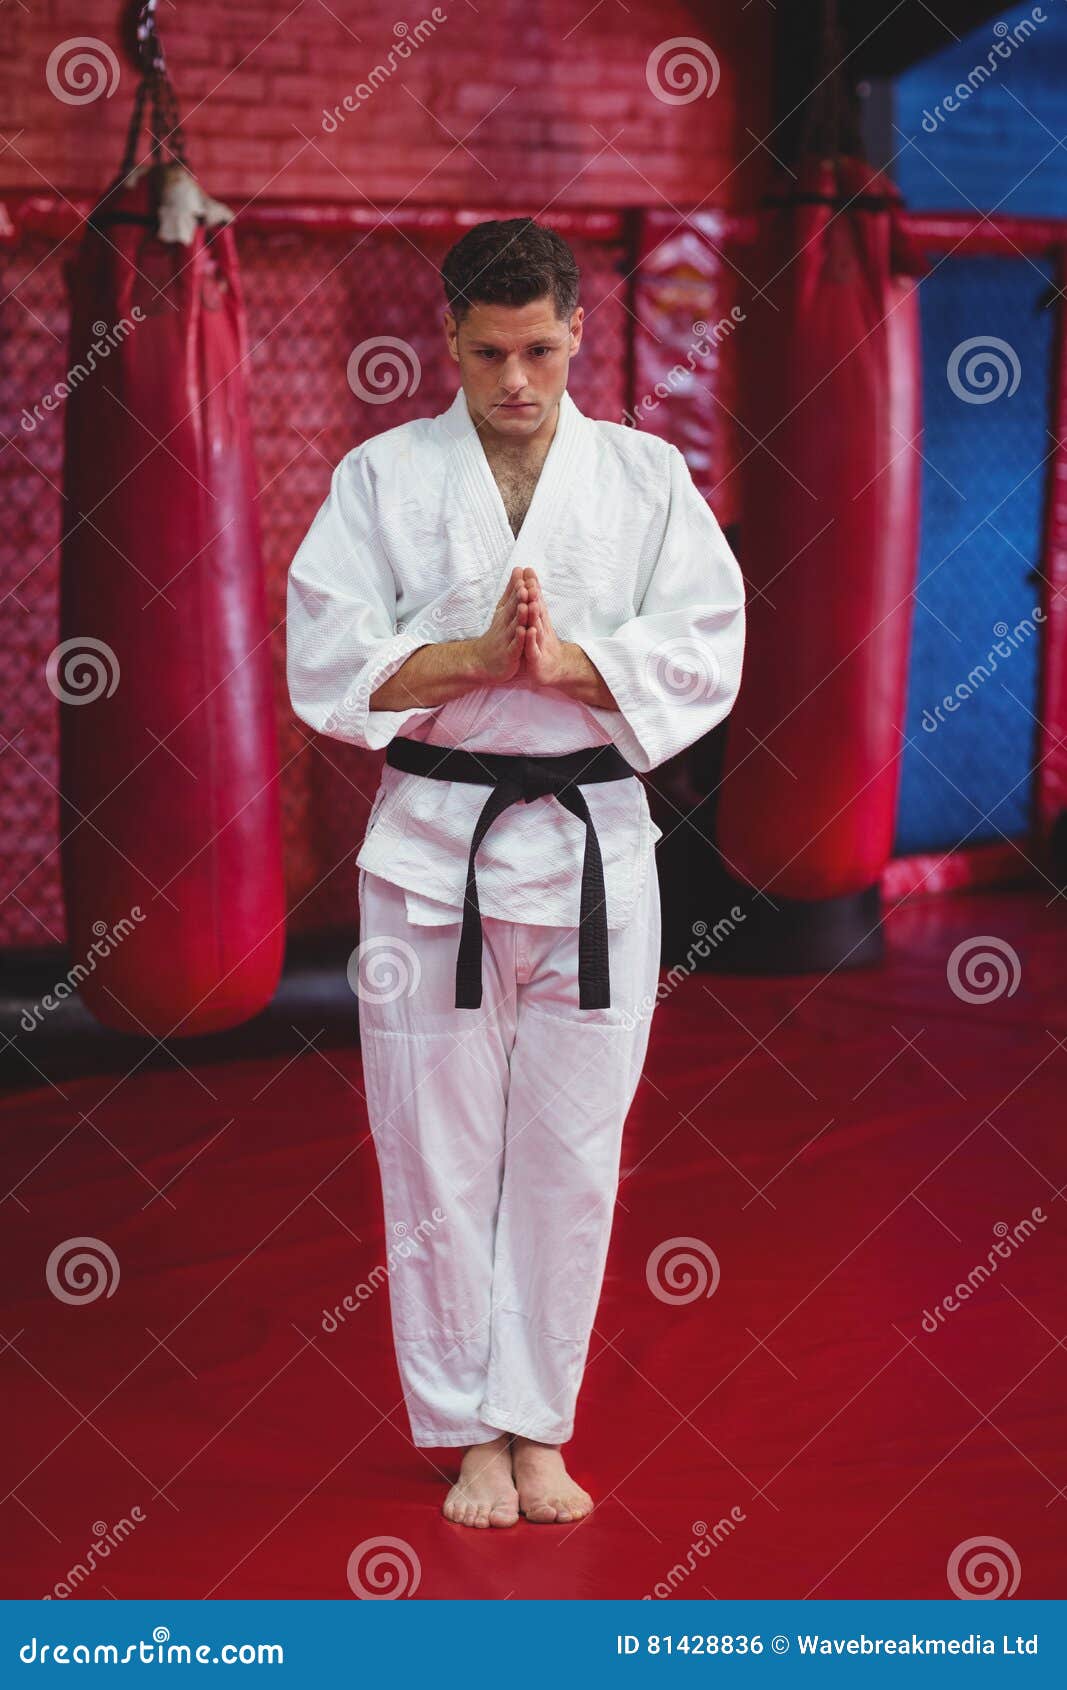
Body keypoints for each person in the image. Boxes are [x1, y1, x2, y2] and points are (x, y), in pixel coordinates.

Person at [286, 217, 746, 1529]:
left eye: (541, 348)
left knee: (571, 1154)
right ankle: (463, 1434)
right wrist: (473, 659)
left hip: (599, 853)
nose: (516, 381)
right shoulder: (380, 479)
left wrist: (565, 667)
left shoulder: (646, 479)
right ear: (447, 337)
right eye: (488, 351)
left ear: (581, 331)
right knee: (435, 1154)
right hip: (434, 856)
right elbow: (326, 658)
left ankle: (536, 1424)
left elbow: (708, 648)